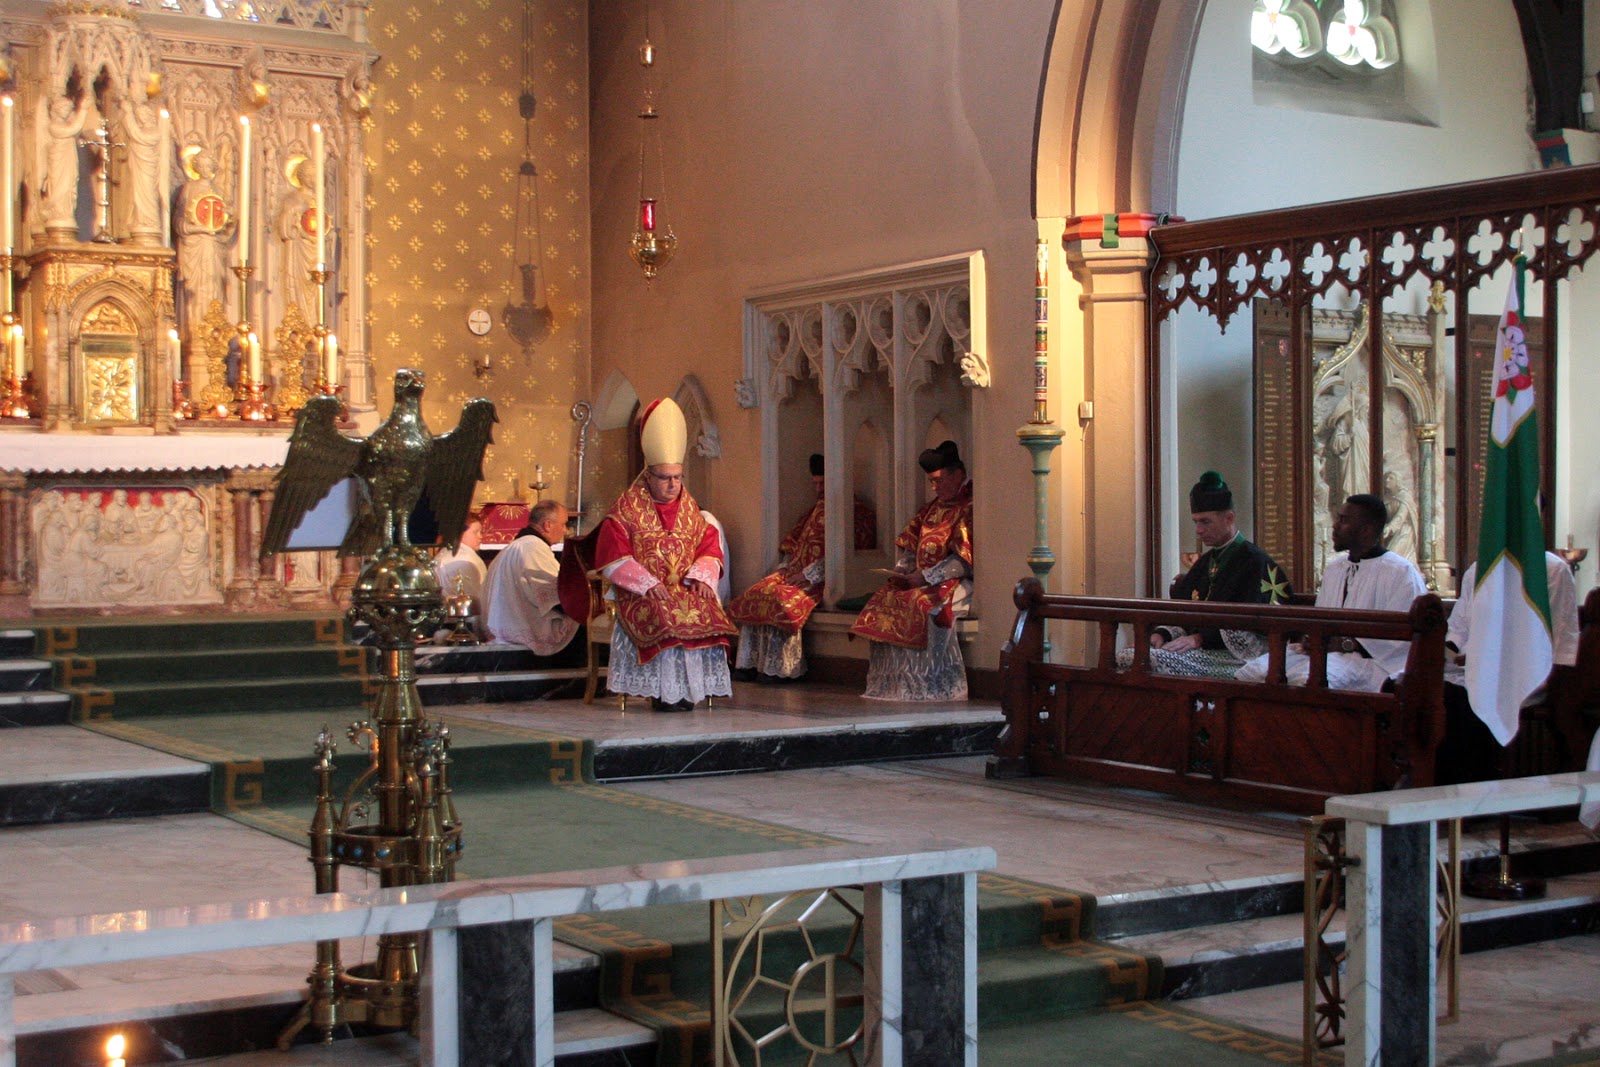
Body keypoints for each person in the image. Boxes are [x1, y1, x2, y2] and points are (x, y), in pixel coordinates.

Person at [593, 398, 735, 711]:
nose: (673, 485)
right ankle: (664, 694)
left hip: (685, 588)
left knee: (709, 615)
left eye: (678, 477)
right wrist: (646, 583)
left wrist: (702, 577)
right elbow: (612, 554)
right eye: (665, 478)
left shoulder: (690, 508)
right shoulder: (627, 508)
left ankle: (690, 690)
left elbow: (709, 543)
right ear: (648, 476)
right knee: (666, 617)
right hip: (641, 594)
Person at [1237, 493, 1427, 691]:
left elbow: (1402, 639)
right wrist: (1313, 639)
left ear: (1366, 530)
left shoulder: (1400, 572)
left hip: (1373, 663)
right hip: (1326, 655)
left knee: (1306, 681)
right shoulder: (1335, 569)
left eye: (1343, 520)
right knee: (1253, 672)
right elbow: (1321, 618)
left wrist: (1346, 644)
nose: (1335, 526)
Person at [1121, 471, 1292, 678]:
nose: (1199, 530)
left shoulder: (1255, 562)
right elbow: (1182, 610)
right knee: (1130, 656)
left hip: (1238, 658)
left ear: (1229, 518)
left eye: (1205, 522)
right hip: (1199, 650)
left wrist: (1200, 638)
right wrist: (1161, 634)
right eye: (1196, 522)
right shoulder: (1204, 563)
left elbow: (1254, 626)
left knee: (1153, 661)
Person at [1436, 552, 1581, 784]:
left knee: (1460, 700)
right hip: (1470, 670)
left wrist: (1487, 656)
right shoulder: (1478, 569)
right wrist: (1449, 650)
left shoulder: (1552, 570)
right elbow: (1458, 627)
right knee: (1422, 689)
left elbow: (1552, 640)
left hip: (1524, 673)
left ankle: (1473, 785)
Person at [851, 440, 973, 701]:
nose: (934, 487)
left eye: (938, 480)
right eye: (931, 482)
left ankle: (929, 683)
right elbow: (910, 549)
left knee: (921, 605)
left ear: (957, 475)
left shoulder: (969, 508)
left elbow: (963, 560)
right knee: (885, 600)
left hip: (954, 581)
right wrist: (902, 572)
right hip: (920, 579)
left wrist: (926, 576)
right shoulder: (930, 508)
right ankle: (897, 683)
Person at [727, 453, 828, 682]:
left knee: (782, 599)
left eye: (823, 483)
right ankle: (750, 664)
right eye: (815, 483)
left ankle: (782, 669)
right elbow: (793, 544)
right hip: (793, 572)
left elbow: (844, 554)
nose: (818, 489)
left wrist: (810, 574)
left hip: (819, 579)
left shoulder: (852, 513)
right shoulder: (813, 511)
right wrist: (784, 568)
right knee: (756, 593)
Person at [482, 500, 582, 660]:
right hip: (523, 635)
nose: (565, 530)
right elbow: (556, 598)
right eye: (563, 524)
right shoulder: (533, 547)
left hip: (500, 629)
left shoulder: (514, 547)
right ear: (548, 525)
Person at [434, 512, 487, 603]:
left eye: (480, 532)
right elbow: (476, 596)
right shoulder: (465, 558)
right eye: (475, 532)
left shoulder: (444, 552)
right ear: (459, 533)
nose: (480, 536)